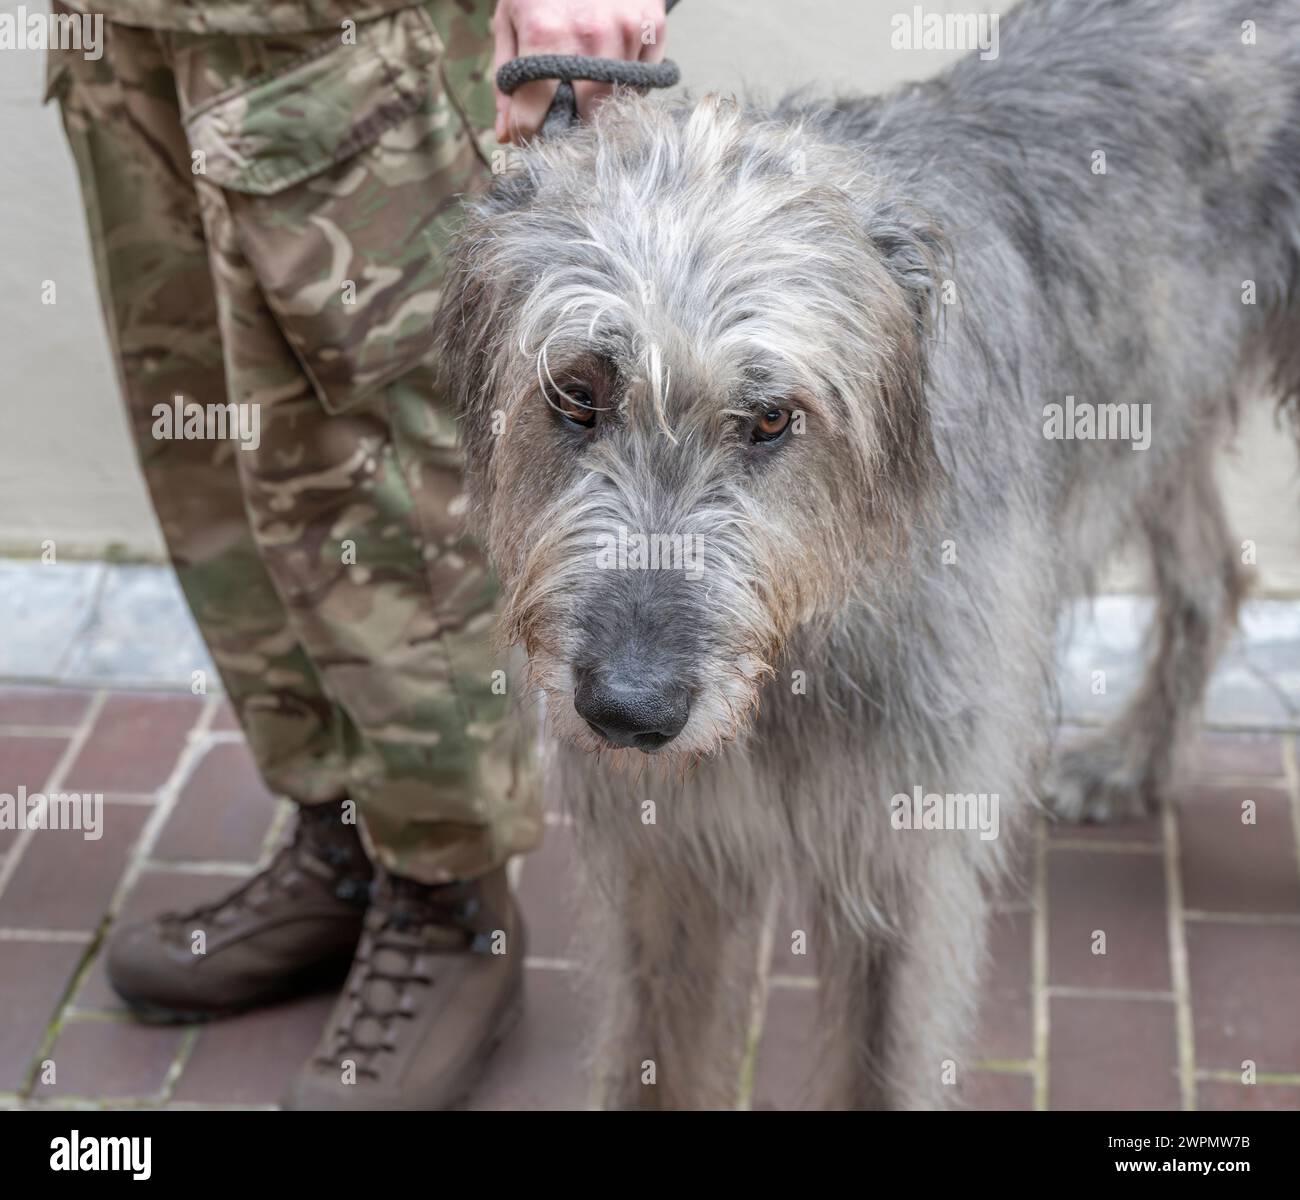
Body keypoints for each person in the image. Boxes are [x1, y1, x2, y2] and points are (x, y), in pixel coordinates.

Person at [46, 0, 667, 1111]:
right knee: (221, 454)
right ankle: (341, 843)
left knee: (376, 480)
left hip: (339, 46)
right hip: (123, 27)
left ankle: (446, 900)